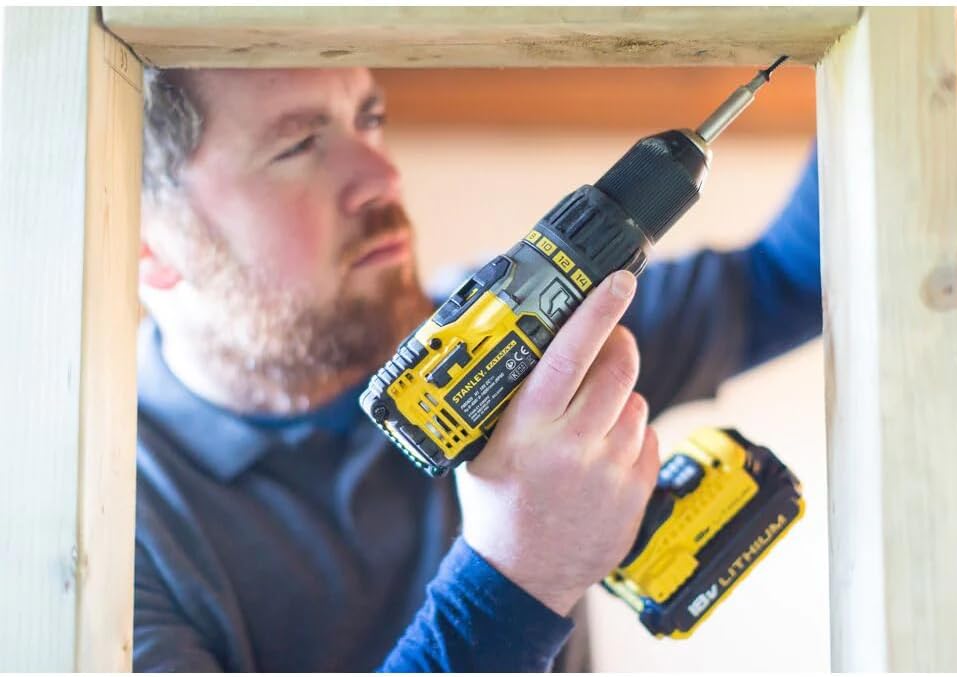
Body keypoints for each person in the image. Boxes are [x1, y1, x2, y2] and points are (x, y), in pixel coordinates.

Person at [135, 66, 820, 672]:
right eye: (298, 145)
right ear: (151, 247)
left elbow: (794, 279)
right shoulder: (109, 526)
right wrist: (517, 576)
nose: (382, 173)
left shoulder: (507, 339)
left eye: (369, 119)